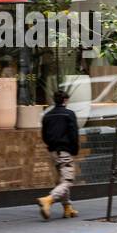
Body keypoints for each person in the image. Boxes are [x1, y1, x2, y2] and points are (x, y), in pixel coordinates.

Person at [37, 90, 80, 220]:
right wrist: (74, 149)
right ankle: (48, 199)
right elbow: (73, 134)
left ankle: (67, 208)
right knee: (67, 180)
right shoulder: (69, 114)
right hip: (64, 150)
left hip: (52, 152)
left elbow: (44, 135)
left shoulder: (47, 115)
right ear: (66, 100)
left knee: (61, 180)